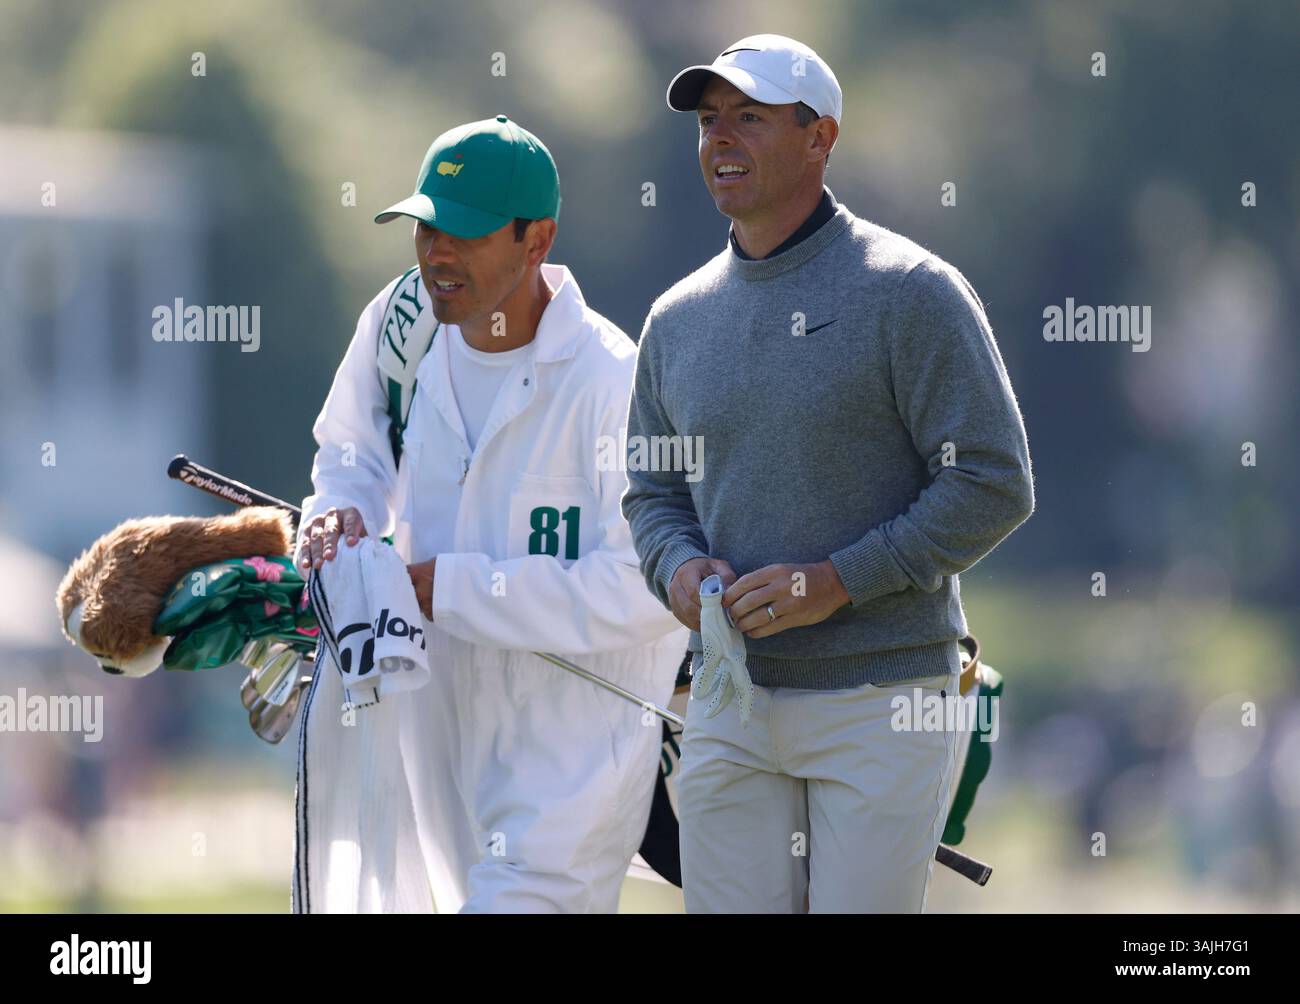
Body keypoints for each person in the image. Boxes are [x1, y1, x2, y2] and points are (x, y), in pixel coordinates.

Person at [622, 34, 1035, 913]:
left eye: (750, 118)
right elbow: (653, 493)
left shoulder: (912, 290)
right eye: (708, 121)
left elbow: (994, 482)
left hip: (883, 697)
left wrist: (838, 582)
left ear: (822, 138)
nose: (720, 140)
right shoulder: (676, 319)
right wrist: (677, 567)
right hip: (729, 699)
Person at [297, 114, 687, 913]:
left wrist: (458, 590)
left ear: (536, 240)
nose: (436, 254)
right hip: (430, 734)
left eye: (465, 235)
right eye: (426, 228)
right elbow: (349, 451)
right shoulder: (399, 322)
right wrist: (341, 513)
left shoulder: (617, 385)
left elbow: (651, 589)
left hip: (570, 775)